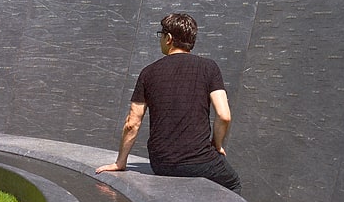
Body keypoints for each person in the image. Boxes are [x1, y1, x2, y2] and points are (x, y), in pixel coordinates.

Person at [97, 12, 238, 190]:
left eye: (161, 35)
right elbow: (224, 116)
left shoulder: (148, 73)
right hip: (200, 162)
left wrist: (120, 162)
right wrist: (217, 145)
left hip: (162, 163)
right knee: (232, 184)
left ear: (169, 38)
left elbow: (132, 122)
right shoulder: (209, 68)